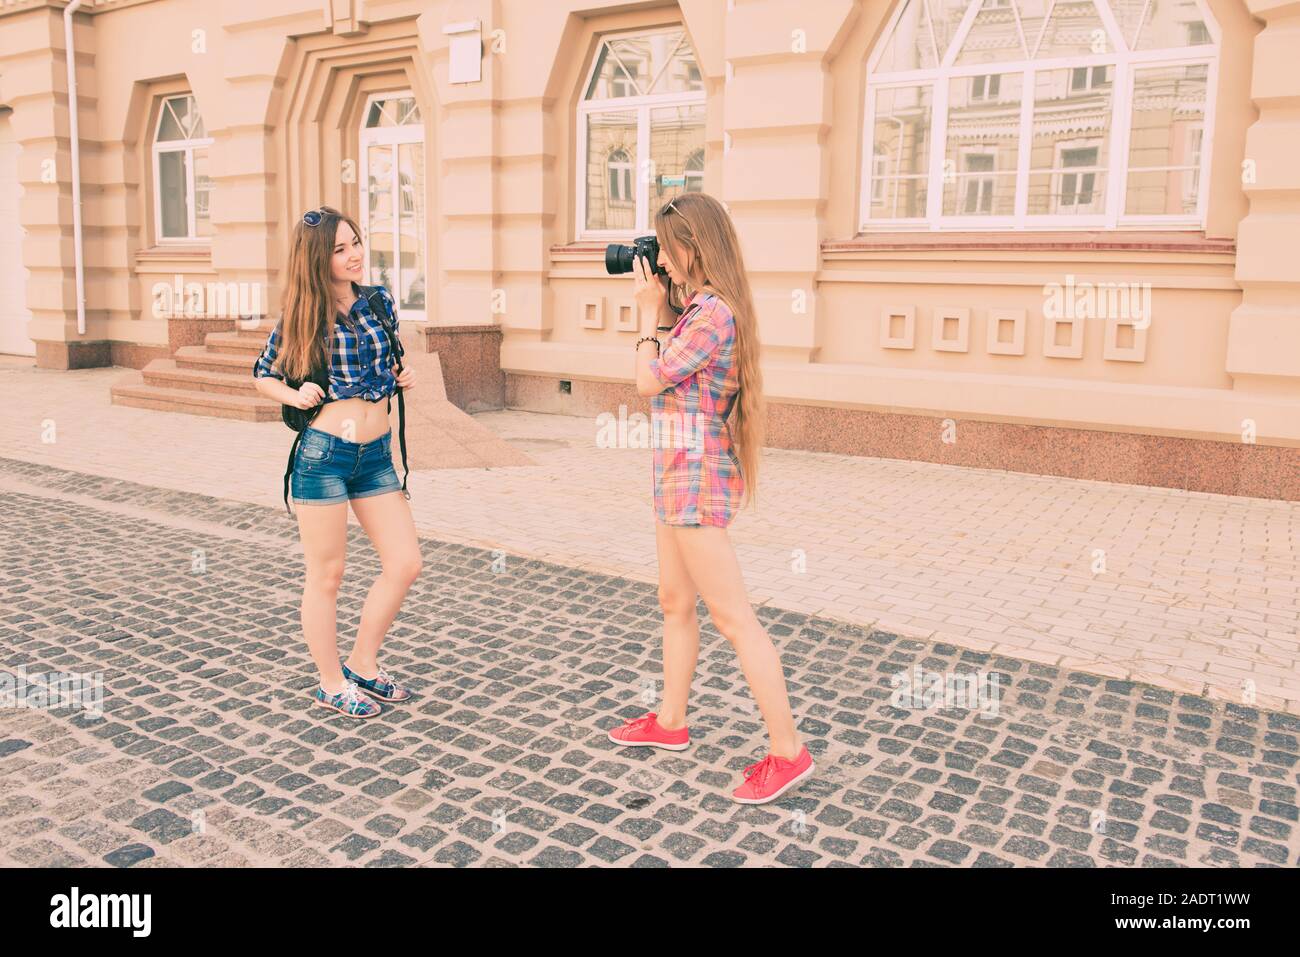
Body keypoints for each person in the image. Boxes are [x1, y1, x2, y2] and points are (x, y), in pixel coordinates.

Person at [607, 192, 814, 804]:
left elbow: (649, 379)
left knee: (732, 616)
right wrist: (664, 310)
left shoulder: (714, 314)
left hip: (695, 476)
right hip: (675, 472)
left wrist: (647, 319)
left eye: (667, 252)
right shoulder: (697, 310)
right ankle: (671, 722)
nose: (661, 264)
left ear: (693, 247)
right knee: (674, 601)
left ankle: (788, 751)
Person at [252, 206, 420, 719]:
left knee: (405, 562)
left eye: (356, 243)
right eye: (340, 248)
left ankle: (362, 663)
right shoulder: (304, 313)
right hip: (324, 456)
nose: (354, 255)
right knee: (327, 574)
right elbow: (261, 373)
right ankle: (329, 682)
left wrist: (399, 374)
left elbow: (387, 359)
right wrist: (295, 390)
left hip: (375, 454)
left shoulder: (378, 301)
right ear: (317, 258)